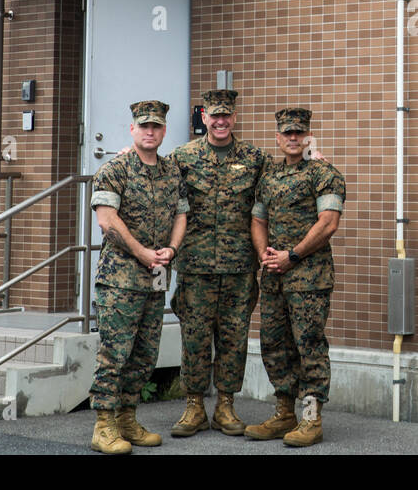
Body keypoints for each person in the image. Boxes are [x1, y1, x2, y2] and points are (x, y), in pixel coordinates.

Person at [87, 99, 187, 455]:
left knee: (145, 355)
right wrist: (142, 252)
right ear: (132, 129)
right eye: (143, 125)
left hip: (156, 279)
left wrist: (171, 249)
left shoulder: (171, 171)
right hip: (121, 280)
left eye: (156, 126)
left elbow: (180, 213)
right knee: (115, 354)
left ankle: (128, 418)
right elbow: (107, 220)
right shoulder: (115, 169)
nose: (149, 131)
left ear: (163, 131)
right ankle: (104, 425)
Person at [167, 88, 267, 437]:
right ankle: (194, 406)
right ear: (204, 118)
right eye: (214, 115)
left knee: (234, 337)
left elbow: (276, 192)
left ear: (234, 118)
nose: (221, 121)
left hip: (239, 267)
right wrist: (125, 155)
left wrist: (317, 158)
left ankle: (226, 405)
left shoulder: (255, 159)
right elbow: (153, 178)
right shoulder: (182, 157)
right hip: (195, 266)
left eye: (227, 116)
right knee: (193, 336)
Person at [245, 107, 345, 447]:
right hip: (274, 275)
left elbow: (328, 223)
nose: (292, 138)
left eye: (298, 133)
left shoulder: (323, 173)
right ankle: (284, 412)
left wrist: (294, 255)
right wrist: (264, 255)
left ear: (308, 136)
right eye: (287, 133)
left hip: (309, 279)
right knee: (274, 344)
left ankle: (311, 419)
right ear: (277, 137)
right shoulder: (269, 176)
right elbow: (258, 219)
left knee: (309, 346)